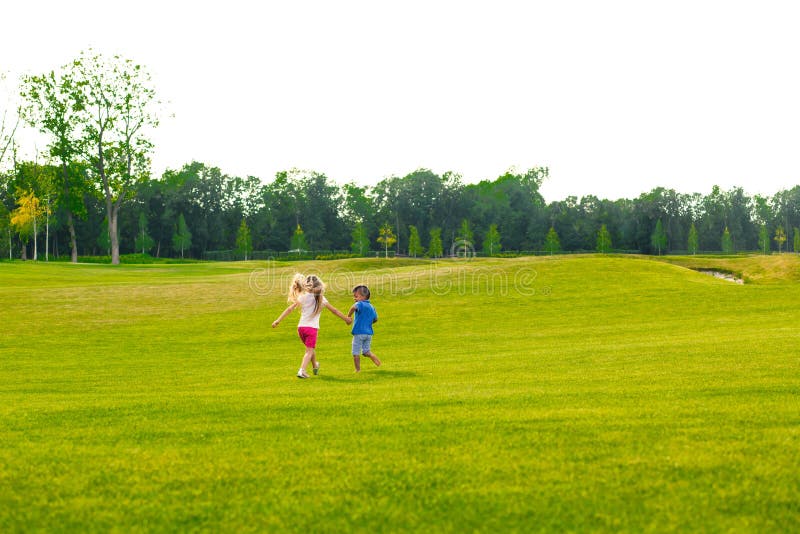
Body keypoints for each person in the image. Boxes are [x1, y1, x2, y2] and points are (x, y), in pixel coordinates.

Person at [272, 273, 352, 378]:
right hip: (312, 329)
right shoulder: (321, 299)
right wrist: (346, 319)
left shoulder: (303, 297)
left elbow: (289, 309)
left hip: (301, 328)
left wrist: (278, 320)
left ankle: (315, 366)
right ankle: (302, 371)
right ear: (319, 285)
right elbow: (335, 311)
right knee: (309, 351)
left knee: (310, 348)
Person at [347, 285, 382, 372]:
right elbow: (375, 319)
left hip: (359, 333)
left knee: (355, 353)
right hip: (368, 333)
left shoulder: (360, 304)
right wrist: (367, 323)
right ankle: (374, 358)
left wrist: (348, 316)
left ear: (363, 297)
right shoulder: (371, 307)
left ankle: (357, 370)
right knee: (366, 352)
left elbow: (353, 307)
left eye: (356, 296)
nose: (354, 298)